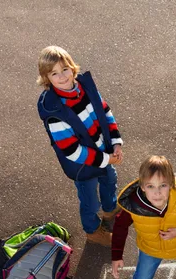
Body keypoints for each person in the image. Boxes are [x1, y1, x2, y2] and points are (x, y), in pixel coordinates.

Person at [36, 46, 123, 247]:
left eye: (64, 69)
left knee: (110, 179)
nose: (62, 76)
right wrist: (105, 159)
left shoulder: (85, 88)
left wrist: (116, 141)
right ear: (47, 78)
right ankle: (92, 230)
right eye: (54, 73)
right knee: (90, 201)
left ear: (72, 67)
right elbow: (72, 151)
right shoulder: (55, 112)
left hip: (103, 152)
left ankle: (110, 209)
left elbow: (105, 111)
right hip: (83, 166)